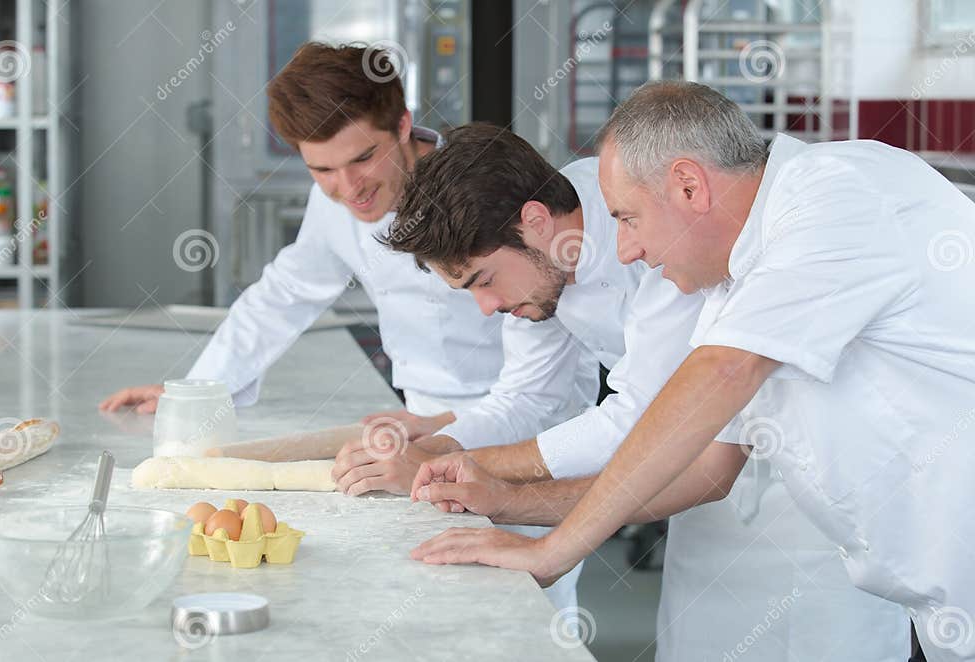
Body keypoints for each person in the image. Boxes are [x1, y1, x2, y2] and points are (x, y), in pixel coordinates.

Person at [408, 81, 975, 662]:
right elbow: (705, 470)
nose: (626, 250)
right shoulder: (730, 282)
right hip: (933, 593)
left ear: (688, 185)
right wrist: (505, 501)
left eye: (628, 218)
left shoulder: (836, 194)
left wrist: (553, 551)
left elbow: (720, 373)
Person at [98, 41, 599, 613]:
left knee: (521, 612)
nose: (348, 187)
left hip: (535, 427)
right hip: (420, 424)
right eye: (322, 170)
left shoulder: (483, 193)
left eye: (363, 159)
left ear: (404, 125)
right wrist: (200, 388)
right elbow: (285, 292)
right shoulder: (336, 201)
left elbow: (534, 392)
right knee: (434, 598)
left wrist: (436, 435)